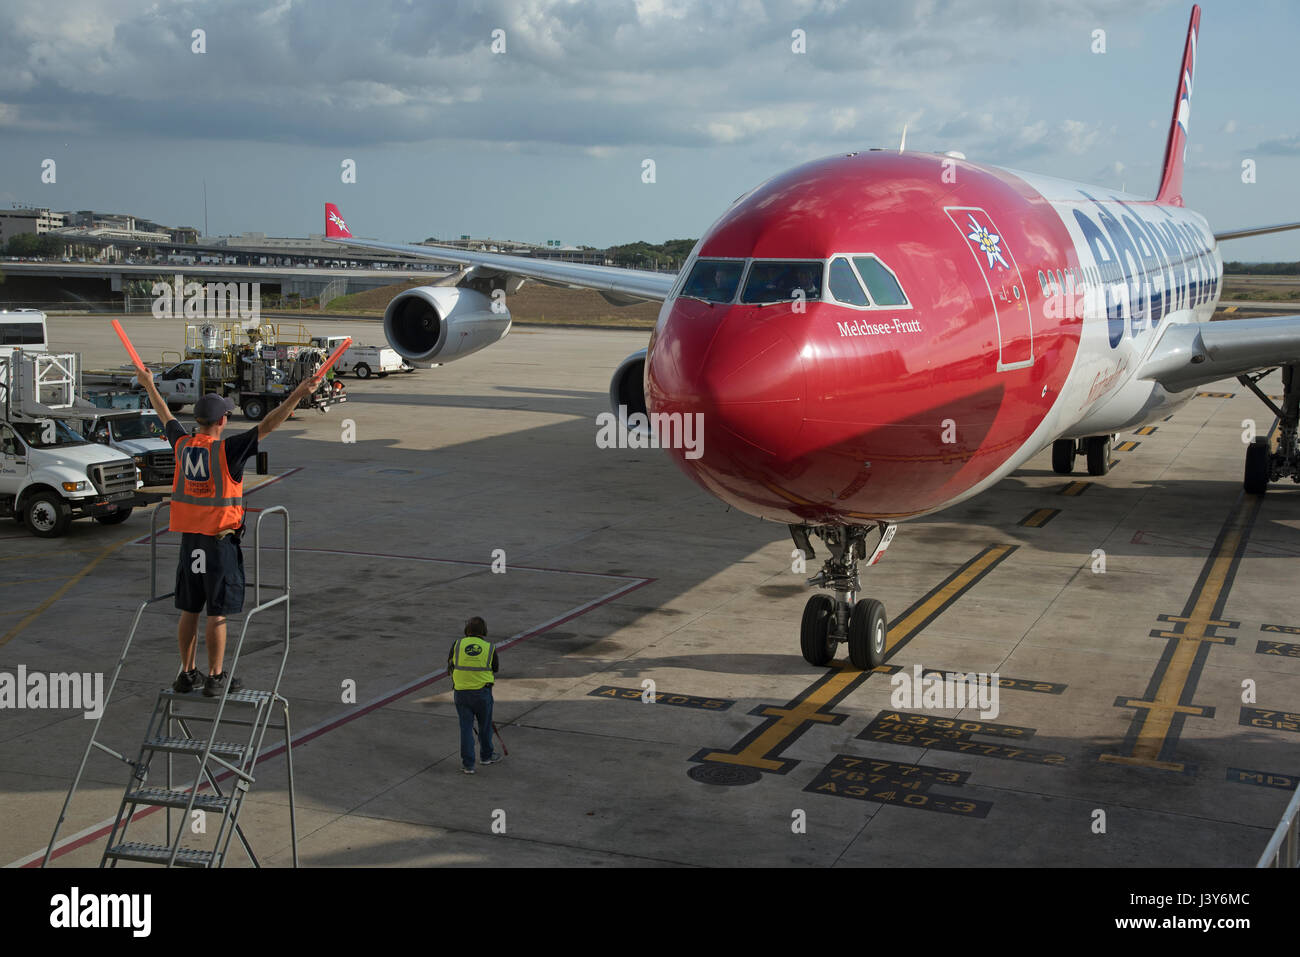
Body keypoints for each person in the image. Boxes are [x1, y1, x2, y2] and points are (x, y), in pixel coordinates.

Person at [133, 361, 319, 697]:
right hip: (219, 546)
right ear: (222, 421)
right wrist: (298, 394)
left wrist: (149, 384)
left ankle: (187, 673)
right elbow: (268, 425)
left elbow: (166, 418)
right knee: (217, 613)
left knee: (189, 608)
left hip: (191, 545)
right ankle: (216, 677)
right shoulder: (227, 450)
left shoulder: (182, 445)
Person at [447, 616, 501, 774]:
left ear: (467, 630)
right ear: (484, 631)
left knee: (466, 728)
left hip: (461, 693)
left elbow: (450, 665)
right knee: (485, 726)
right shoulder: (489, 647)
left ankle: (468, 765)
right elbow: (495, 668)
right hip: (482, 693)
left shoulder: (457, 644)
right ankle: (486, 756)